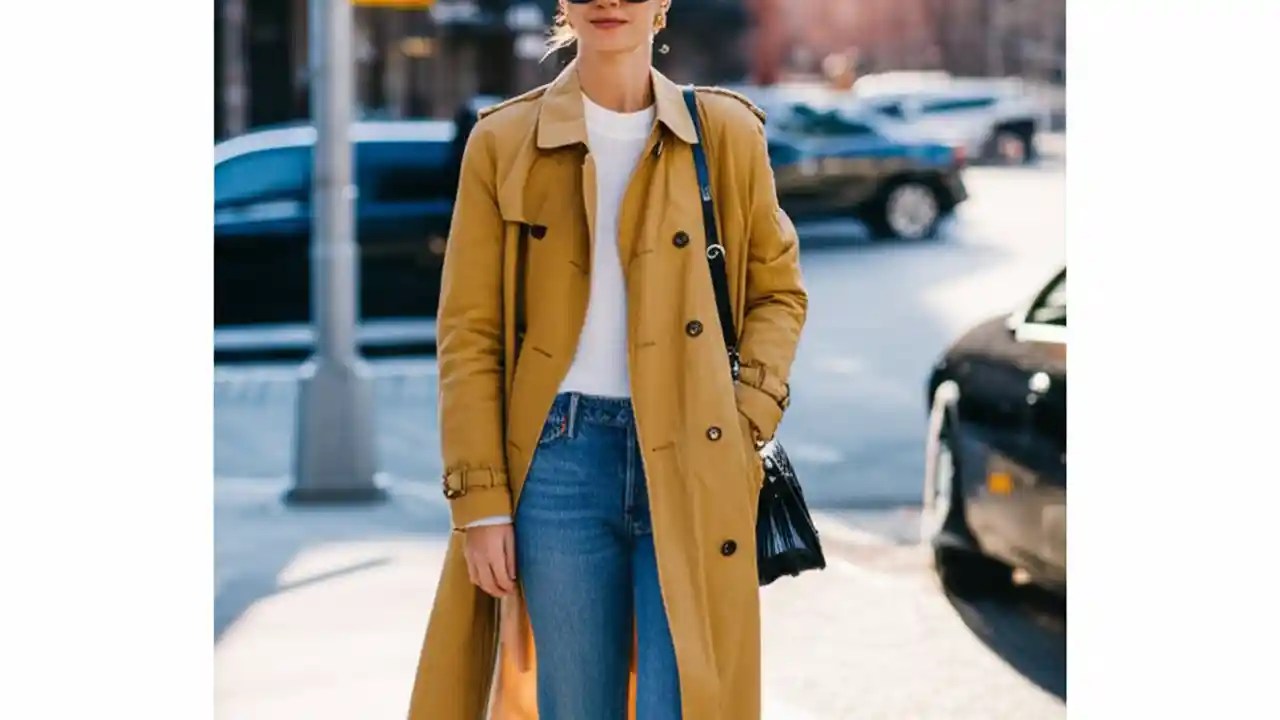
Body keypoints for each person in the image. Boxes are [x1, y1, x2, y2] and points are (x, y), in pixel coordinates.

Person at [408, 1, 807, 718]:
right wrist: (481, 504)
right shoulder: (504, 140)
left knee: (683, 702)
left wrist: (746, 414)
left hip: (694, 453)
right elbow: (470, 334)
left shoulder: (725, 134)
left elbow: (777, 292)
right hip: (556, 467)